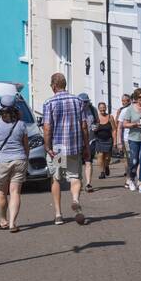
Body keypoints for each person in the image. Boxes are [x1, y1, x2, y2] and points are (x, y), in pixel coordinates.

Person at [42, 72, 88, 226]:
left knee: (56, 179)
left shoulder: (49, 103)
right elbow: (84, 125)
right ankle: (75, 199)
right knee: (75, 177)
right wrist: (86, 145)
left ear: (54, 86)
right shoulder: (78, 101)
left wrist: (47, 146)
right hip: (74, 145)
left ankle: (58, 214)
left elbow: (47, 127)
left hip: (58, 148)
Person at [0, 93, 29, 232]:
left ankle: (3, 220)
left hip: (1, 162)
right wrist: (26, 159)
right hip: (19, 159)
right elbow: (26, 146)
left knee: (1, 192)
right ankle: (12, 223)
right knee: (15, 192)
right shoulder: (22, 124)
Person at [118, 87, 141, 192]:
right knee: (134, 161)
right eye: (140, 97)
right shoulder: (130, 109)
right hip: (133, 138)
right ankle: (130, 179)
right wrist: (134, 125)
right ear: (136, 97)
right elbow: (124, 124)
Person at [76, 92, 97, 193]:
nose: (84, 104)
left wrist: (96, 127)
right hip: (78, 141)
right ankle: (78, 182)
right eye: (82, 102)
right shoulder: (75, 111)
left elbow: (97, 121)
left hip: (91, 140)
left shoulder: (92, 110)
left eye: (86, 102)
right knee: (78, 163)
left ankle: (88, 183)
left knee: (89, 161)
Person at [92, 101, 116, 178]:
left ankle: (106, 166)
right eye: (101, 108)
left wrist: (115, 141)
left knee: (107, 157)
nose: (102, 110)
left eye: (104, 108)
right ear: (98, 109)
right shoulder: (96, 118)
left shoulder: (110, 117)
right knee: (100, 155)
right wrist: (95, 128)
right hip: (99, 139)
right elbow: (93, 128)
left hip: (108, 139)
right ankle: (102, 172)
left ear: (106, 108)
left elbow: (114, 129)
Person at [114, 93, 131, 161]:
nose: (123, 103)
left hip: (131, 136)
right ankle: (127, 171)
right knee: (125, 156)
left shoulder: (131, 109)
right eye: (122, 101)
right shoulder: (121, 110)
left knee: (130, 157)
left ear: (129, 101)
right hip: (124, 136)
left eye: (125, 101)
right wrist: (118, 114)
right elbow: (116, 125)